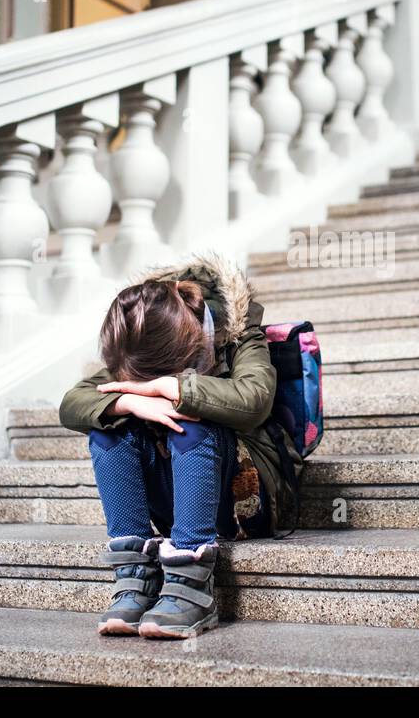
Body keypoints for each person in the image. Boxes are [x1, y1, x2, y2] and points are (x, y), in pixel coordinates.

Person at [58, 255, 300, 639]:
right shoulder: (144, 333)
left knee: (189, 422)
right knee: (109, 428)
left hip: (247, 496)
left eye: (149, 377)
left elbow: (254, 399)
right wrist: (129, 401)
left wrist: (174, 389)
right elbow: (73, 403)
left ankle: (192, 585)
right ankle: (136, 575)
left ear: (184, 350)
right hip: (182, 497)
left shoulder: (237, 335)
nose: (141, 382)